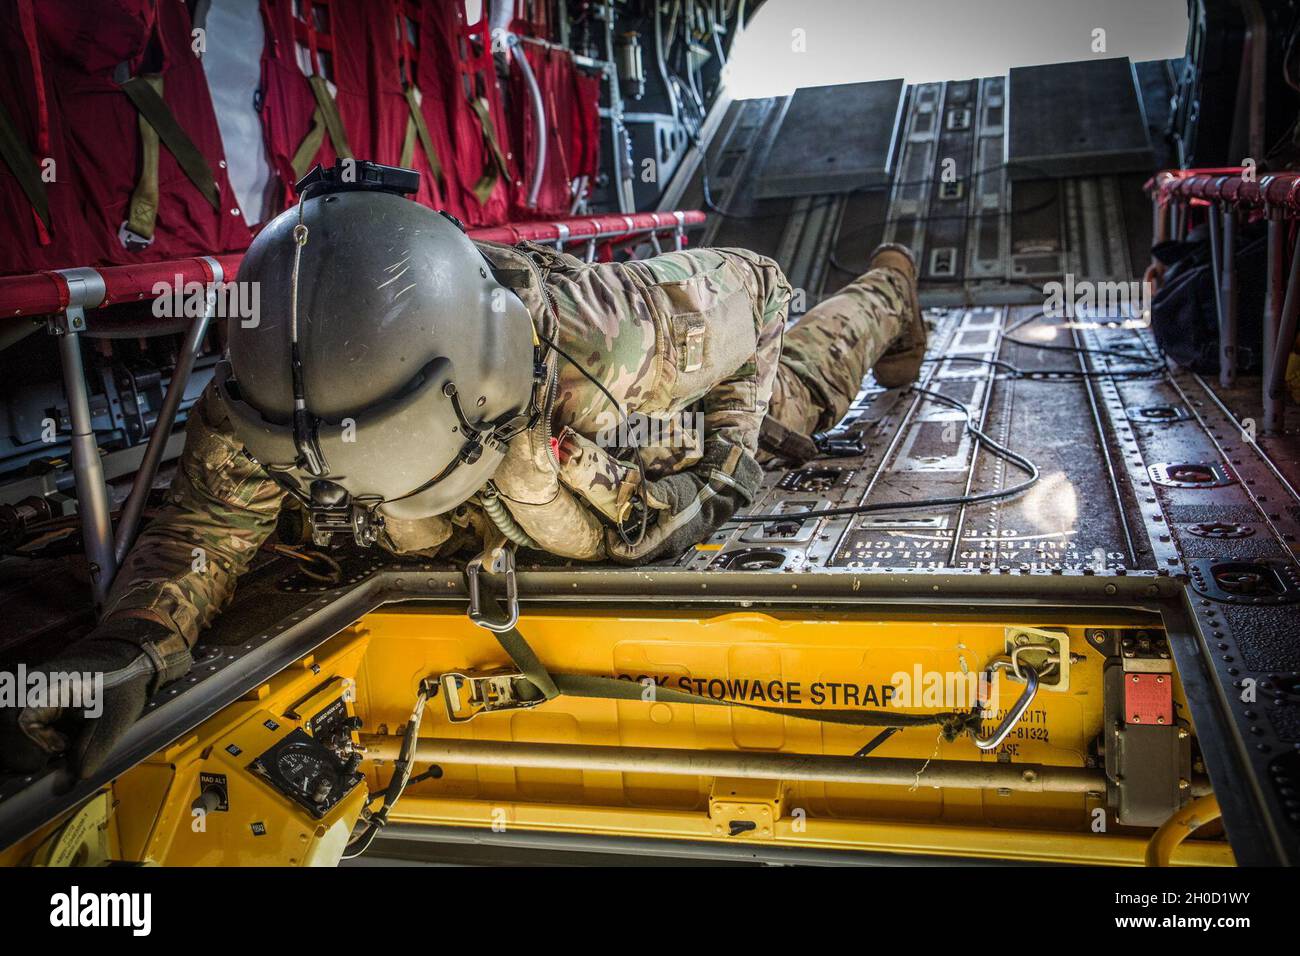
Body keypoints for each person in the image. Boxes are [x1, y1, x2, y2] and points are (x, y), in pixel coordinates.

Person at [0, 169, 925, 777]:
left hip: (632, 429)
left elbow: (762, 285)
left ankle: (890, 283)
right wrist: (127, 645)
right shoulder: (271, 395)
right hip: (516, 460)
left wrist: (726, 453)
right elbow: (203, 528)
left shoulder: (621, 333)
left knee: (806, 378)